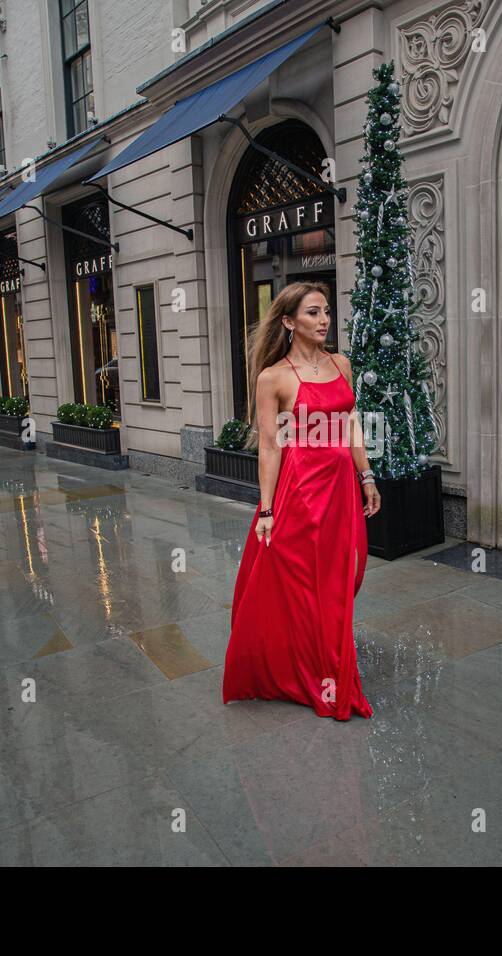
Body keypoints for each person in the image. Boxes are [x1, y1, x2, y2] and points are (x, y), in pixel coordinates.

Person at [222, 281, 382, 721]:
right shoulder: (272, 377)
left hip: (341, 490)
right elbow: (271, 447)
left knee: (341, 576)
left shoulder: (341, 364)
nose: (324, 319)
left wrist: (365, 475)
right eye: (313, 313)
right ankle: (314, 671)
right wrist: (268, 509)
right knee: (303, 584)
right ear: (289, 322)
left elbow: (350, 423)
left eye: (326, 311)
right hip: (301, 492)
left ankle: (324, 657)